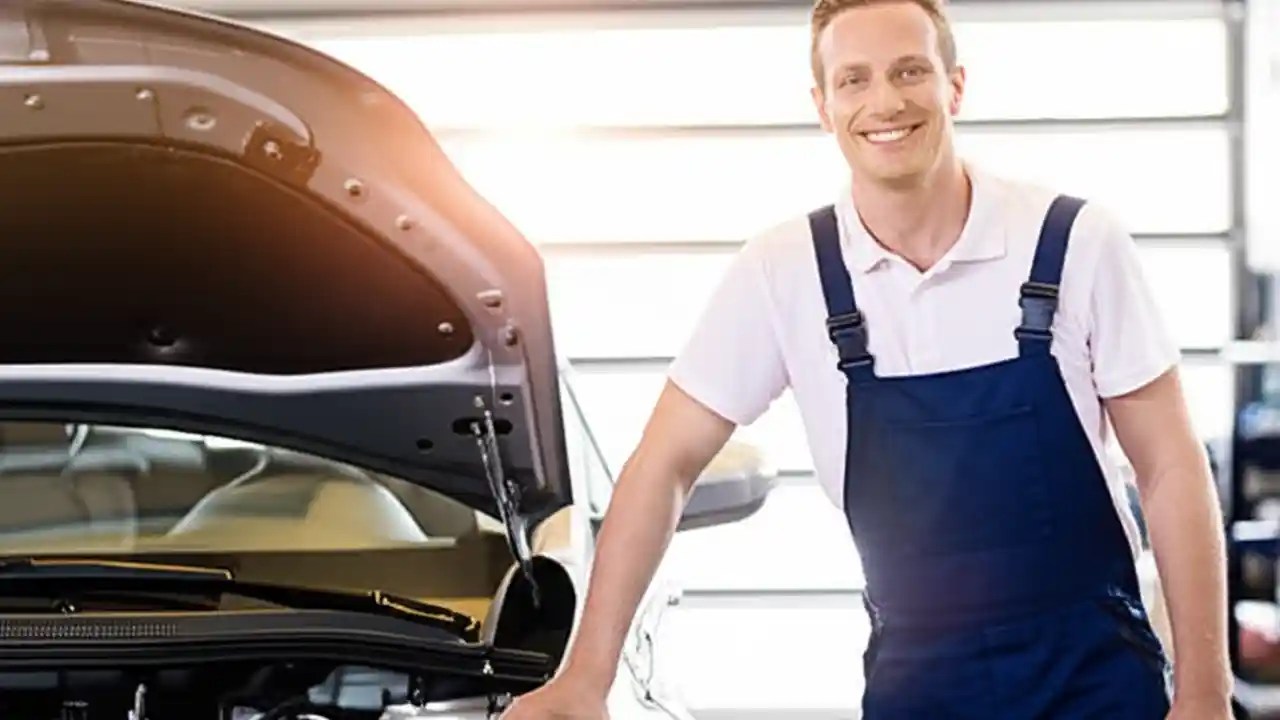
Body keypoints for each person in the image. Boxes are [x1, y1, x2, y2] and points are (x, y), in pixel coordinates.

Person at [501, 0, 1233, 717]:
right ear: (822, 105)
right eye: (854, 80)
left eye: (910, 71)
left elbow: (1169, 464)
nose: (885, 101)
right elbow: (662, 465)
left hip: (1097, 681)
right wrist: (585, 678)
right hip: (919, 689)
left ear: (955, 86)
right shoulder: (785, 273)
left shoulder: (1074, 243)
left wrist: (1205, 694)